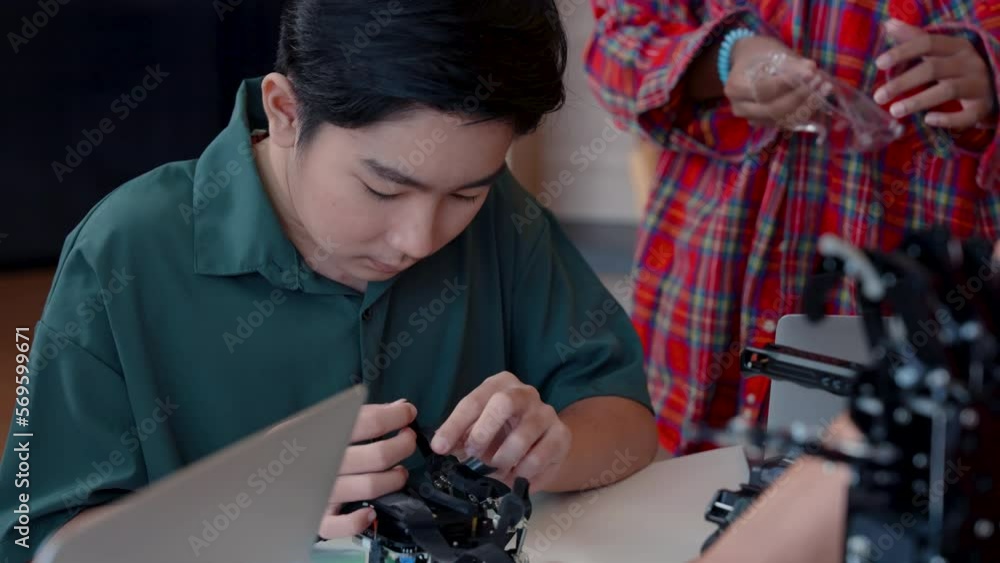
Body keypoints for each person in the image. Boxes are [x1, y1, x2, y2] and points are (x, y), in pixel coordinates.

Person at [0, 1, 660, 559]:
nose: (419, 239)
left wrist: (554, 449)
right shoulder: (125, 253)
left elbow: (624, 418)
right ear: (286, 111)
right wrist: (253, 513)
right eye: (382, 187)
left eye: (464, 194)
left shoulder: (501, 217)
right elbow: (37, 539)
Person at [584, 0, 1000, 455]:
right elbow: (614, 49)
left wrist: (989, 67)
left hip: (912, 319)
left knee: (886, 490)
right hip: (700, 320)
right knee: (677, 503)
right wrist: (726, 58)